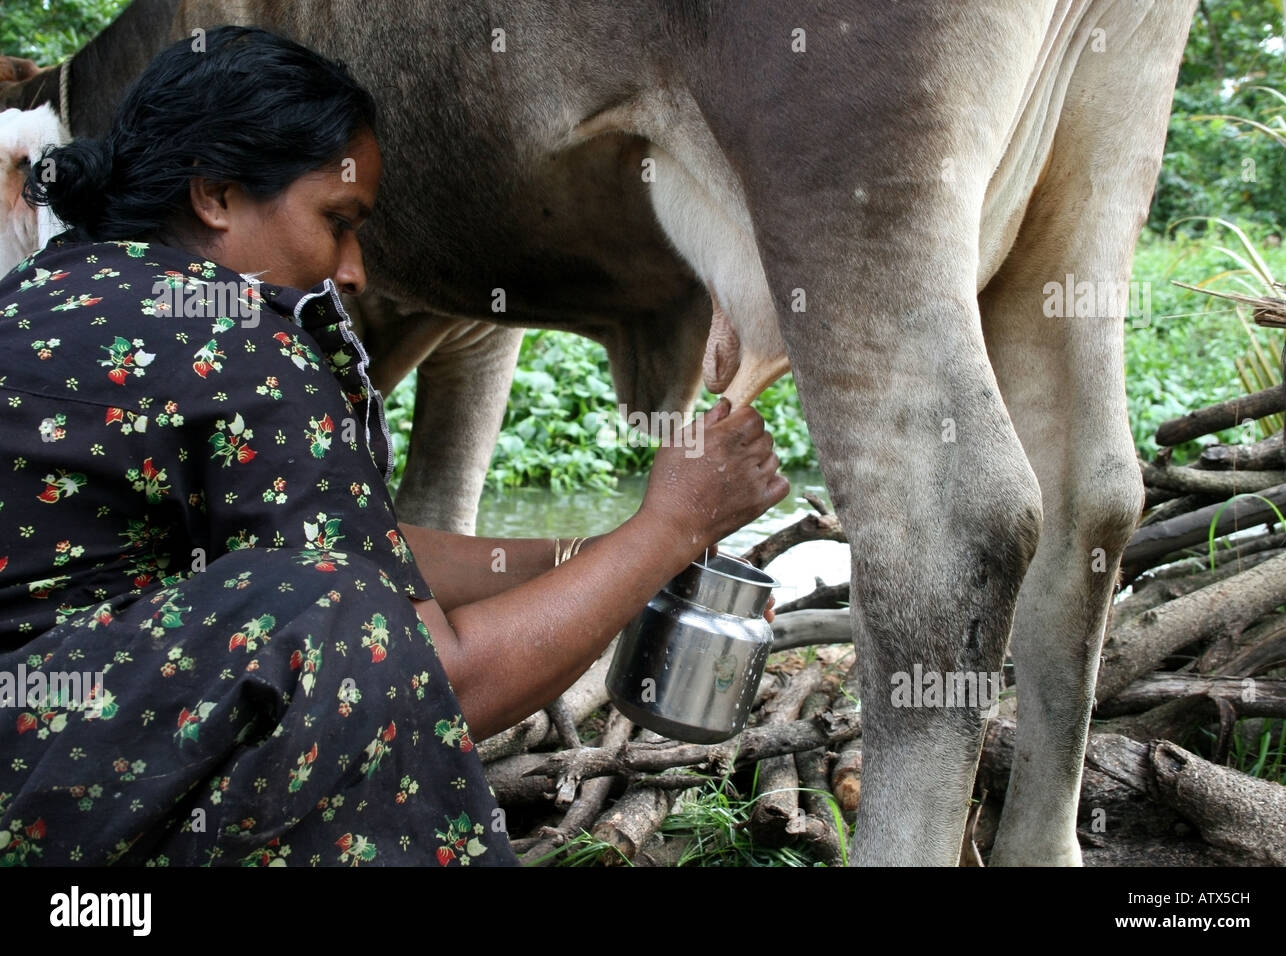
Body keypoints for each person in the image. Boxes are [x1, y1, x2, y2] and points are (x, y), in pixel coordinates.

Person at [0, 26, 788, 866]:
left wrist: (593, 555)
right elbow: (430, 677)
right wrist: (668, 528)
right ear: (217, 196)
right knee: (340, 617)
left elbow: (356, 550)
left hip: (44, 749)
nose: (354, 271)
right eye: (335, 222)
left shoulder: (46, 294)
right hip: (50, 795)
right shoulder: (237, 343)